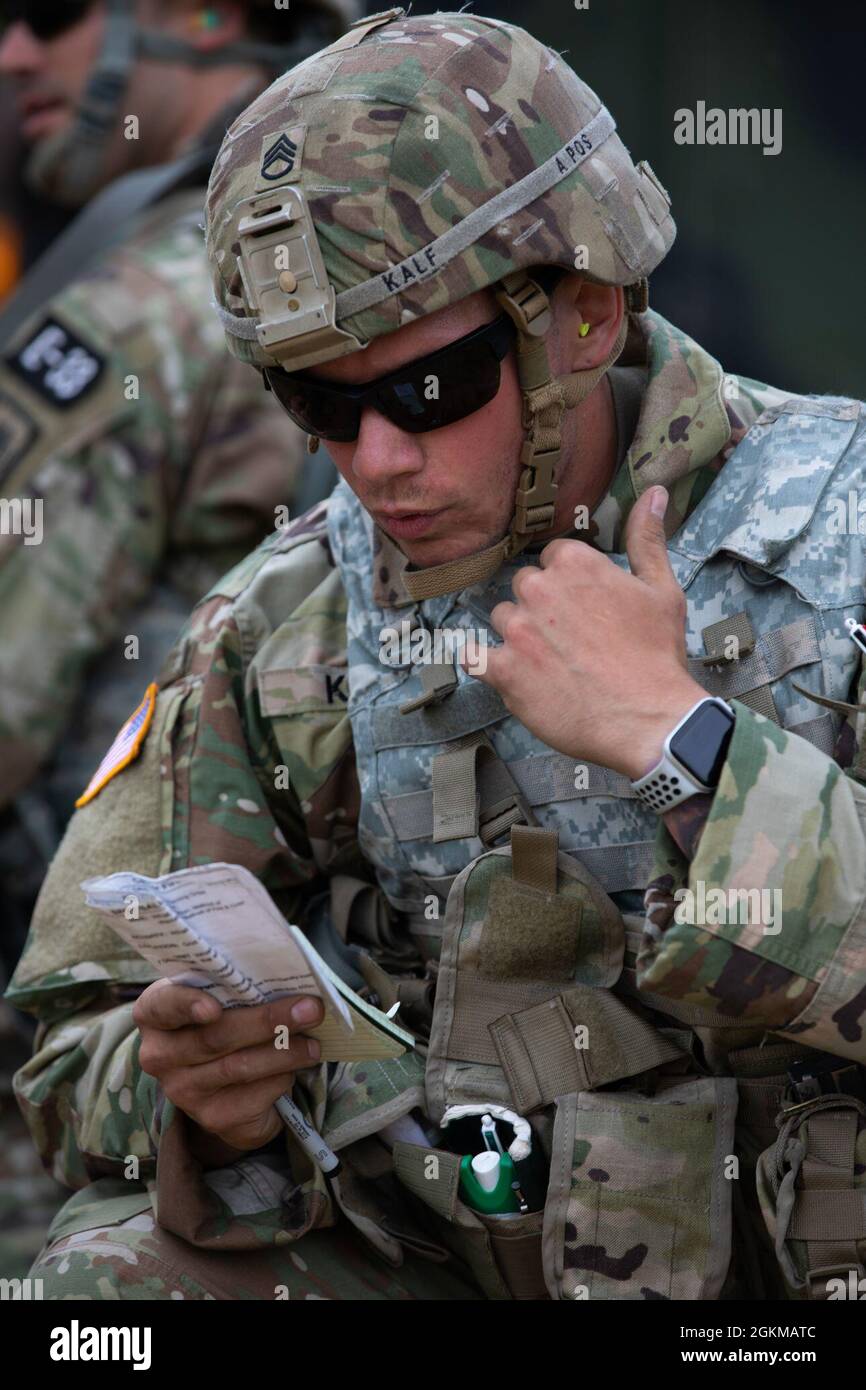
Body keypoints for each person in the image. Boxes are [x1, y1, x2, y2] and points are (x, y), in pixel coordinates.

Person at [8, 8, 866, 1302]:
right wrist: (188, 1081)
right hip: (452, 1262)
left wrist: (684, 744)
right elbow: (70, 1044)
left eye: (423, 391)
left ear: (579, 316)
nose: (376, 463)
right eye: (319, 403)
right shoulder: (288, 620)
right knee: (99, 1297)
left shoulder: (836, 533)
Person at [0, 0, 353, 1283]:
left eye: (49, 11)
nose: (14, 56)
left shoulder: (138, 314)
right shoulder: (358, 266)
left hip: (98, 1021)